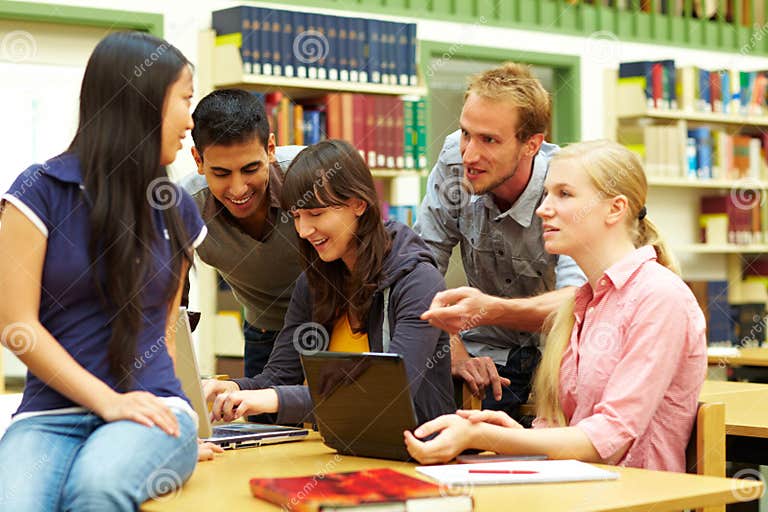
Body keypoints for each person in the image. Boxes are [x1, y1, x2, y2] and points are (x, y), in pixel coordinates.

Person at [0, 32, 211, 511]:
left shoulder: (174, 206)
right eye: (185, 100)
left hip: (154, 408)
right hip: (50, 414)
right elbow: (15, 325)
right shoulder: (39, 192)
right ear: (143, 102)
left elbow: (165, 333)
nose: (190, 121)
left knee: (97, 488)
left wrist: (177, 439)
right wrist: (107, 401)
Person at [405, 140, 707, 472]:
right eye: (547, 193)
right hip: (579, 491)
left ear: (615, 209)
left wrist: (486, 437)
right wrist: (512, 435)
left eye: (564, 194)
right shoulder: (583, 302)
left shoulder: (660, 297)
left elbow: (608, 439)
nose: (543, 208)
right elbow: (568, 430)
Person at [202, 139, 455, 425]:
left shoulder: (418, 281)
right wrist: (236, 389)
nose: (304, 230)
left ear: (358, 204)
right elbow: (279, 376)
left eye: (316, 214)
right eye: (296, 216)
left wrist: (273, 398)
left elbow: (387, 395)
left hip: (413, 454)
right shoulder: (313, 281)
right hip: (337, 451)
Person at [413, 62, 586, 419]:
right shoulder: (455, 162)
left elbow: (577, 306)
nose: (469, 155)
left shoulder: (569, 185)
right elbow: (419, 268)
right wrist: (451, 344)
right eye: (465, 133)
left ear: (531, 145)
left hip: (561, 353)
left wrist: (490, 310)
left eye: (489, 140)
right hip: (484, 354)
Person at [180, 89, 304, 380]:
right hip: (265, 329)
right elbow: (171, 307)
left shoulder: (308, 174)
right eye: (221, 173)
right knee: (266, 425)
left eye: (250, 169)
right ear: (198, 159)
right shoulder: (182, 206)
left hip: (335, 324)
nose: (238, 189)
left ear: (271, 149)